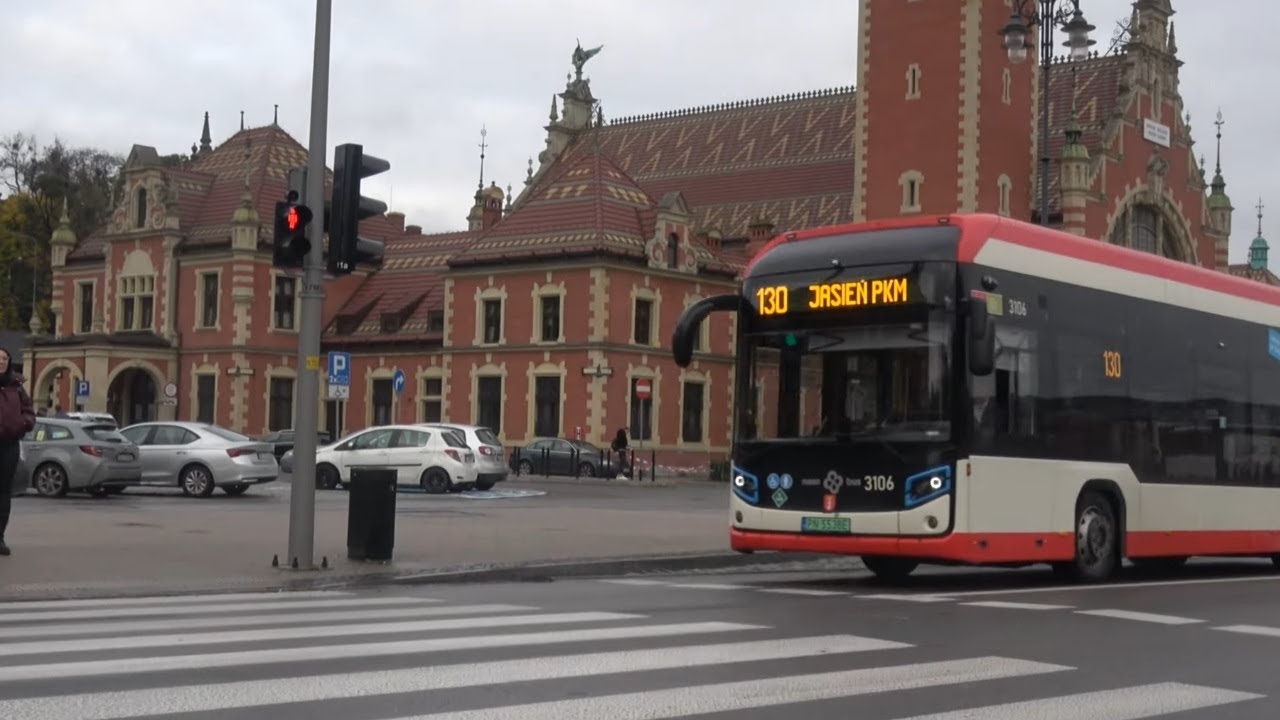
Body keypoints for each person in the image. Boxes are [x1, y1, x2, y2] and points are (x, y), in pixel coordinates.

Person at [0, 347, 36, 556]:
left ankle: (0, 537)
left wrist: (23, 423)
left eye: (5, 358)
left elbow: (29, 412)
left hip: (9, 445)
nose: (1, 362)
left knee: (4, 493)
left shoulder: (17, 387)